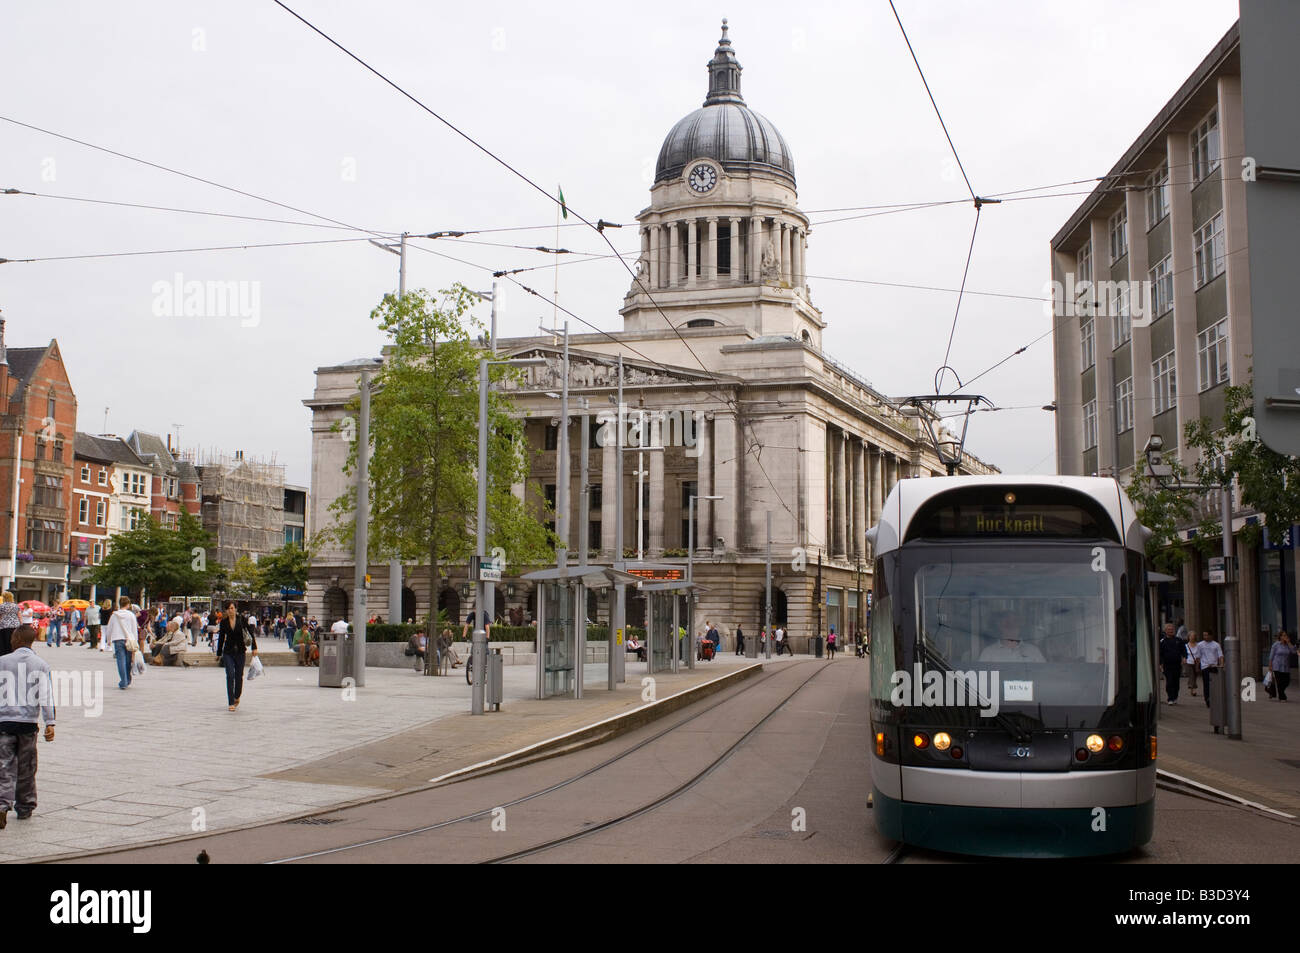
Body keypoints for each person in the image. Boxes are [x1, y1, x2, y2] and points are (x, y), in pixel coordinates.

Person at [0, 624, 56, 827]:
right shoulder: (40, 664)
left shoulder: (2, 661)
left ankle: (2, 805)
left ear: (15, 639)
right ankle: (24, 806)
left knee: (3, 766)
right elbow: (46, 694)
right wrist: (50, 722)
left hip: (4, 723)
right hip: (28, 725)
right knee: (27, 767)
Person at [216, 602, 258, 712]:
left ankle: (237, 696)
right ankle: (231, 702)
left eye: (232, 608)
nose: (230, 610)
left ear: (235, 609)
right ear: (226, 610)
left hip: (240, 651)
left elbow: (250, 633)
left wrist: (254, 647)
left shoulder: (242, 619)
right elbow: (221, 638)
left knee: (239, 676)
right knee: (230, 675)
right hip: (228, 652)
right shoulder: (224, 622)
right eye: (228, 609)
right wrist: (218, 653)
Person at [978, 612, 1046, 662]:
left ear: (1020, 626)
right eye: (1007, 623)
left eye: (1015, 622)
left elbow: (1044, 675)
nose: (1011, 626)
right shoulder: (988, 653)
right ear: (1000, 626)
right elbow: (981, 677)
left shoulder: (1033, 651)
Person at [103, 596, 139, 690]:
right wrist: (136, 640)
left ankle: (123, 681)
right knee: (128, 660)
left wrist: (108, 640)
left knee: (120, 660)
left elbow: (109, 628)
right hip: (129, 639)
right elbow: (134, 629)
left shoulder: (114, 615)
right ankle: (127, 679)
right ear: (128, 604)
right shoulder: (131, 615)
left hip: (117, 638)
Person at [1192, 631, 1224, 710]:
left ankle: (1215, 699)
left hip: (1214, 666)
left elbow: (1220, 656)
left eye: (1206, 635)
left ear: (1211, 636)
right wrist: (1197, 667)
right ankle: (1207, 699)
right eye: (1204, 635)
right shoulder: (1200, 645)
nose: (1205, 637)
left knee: (1215, 684)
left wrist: (1221, 664)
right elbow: (1198, 657)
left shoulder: (1216, 645)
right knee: (1206, 684)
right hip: (1205, 666)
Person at [1158, 622, 1184, 704]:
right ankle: (1170, 698)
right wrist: (1160, 664)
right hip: (1167, 665)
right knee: (1169, 681)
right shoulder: (1162, 641)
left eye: (1172, 629)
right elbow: (1160, 653)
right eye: (1169, 630)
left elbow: (1184, 651)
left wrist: (1184, 658)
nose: (1171, 631)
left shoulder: (1179, 640)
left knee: (1176, 682)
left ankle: (1175, 696)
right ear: (1165, 631)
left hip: (1177, 665)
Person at [1268, 631, 1292, 702]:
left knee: (1287, 681)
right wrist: (1270, 665)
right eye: (1284, 635)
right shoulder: (1276, 645)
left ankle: (1277, 692)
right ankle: (1282, 697)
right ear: (1280, 637)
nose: (1285, 637)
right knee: (1279, 682)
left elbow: (1293, 651)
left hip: (1286, 667)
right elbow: (1271, 656)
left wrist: (1289, 642)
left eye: (1286, 635)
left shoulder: (1288, 645)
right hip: (1277, 666)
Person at [0, 593, 19, 658]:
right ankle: (13, 653)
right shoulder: (16, 606)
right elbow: (19, 616)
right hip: (15, 626)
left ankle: (4, 655)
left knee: (3, 641)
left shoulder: (2, 606)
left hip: (4, 626)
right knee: (13, 641)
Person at [1185, 631, 1200, 696]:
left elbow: (1199, 654)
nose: (1192, 637)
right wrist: (1183, 659)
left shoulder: (1198, 645)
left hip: (1196, 662)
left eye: (1194, 636)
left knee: (1195, 676)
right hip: (1188, 662)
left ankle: (1191, 686)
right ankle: (1193, 690)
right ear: (1188, 637)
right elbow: (1184, 654)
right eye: (1191, 636)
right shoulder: (1186, 645)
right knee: (1191, 676)